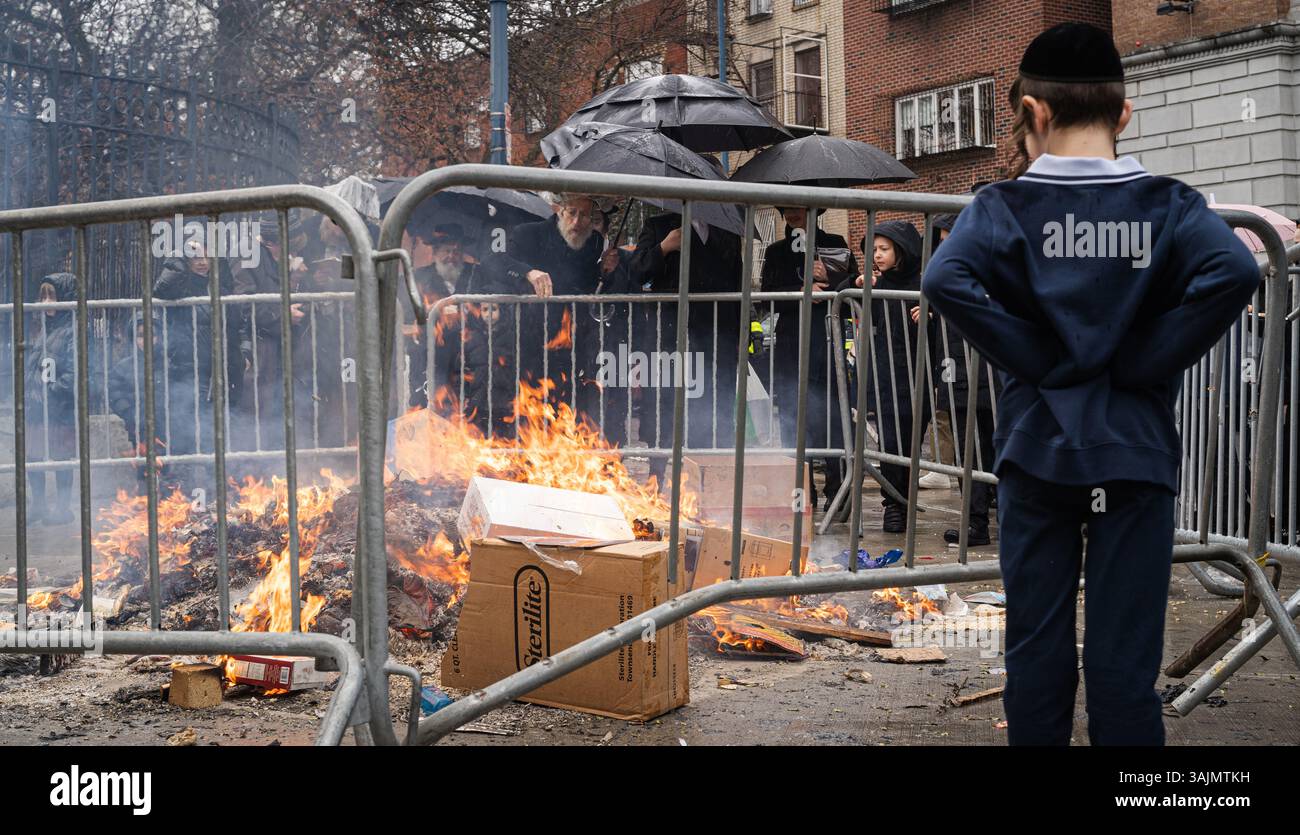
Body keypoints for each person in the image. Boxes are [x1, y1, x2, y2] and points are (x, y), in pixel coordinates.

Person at [923, 23, 1260, 746]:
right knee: (1124, 662)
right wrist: (1145, 361)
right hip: (1132, 452)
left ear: (1035, 113)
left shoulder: (1003, 207)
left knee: (1036, 651)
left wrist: (1039, 362)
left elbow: (944, 277)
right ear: (1124, 113)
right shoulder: (1166, 205)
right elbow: (1234, 271)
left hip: (1037, 448)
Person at [626, 209, 744, 490]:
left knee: (715, 406)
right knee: (665, 406)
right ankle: (657, 478)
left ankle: (711, 483)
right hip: (669, 335)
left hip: (716, 335)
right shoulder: (657, 226)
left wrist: (740, 332)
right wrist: (664, 248)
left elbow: (737, 281)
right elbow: (636, 271)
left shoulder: (725, 230)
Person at [761, 206, 858, 510]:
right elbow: (766, 297)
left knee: (833, 417)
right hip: (792, 342)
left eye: (798, 208)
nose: (792, 214)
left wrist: (830, 275)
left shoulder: (836, 242)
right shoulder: (777, 251)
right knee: (793, 418)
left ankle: (838, 491)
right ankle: (802, 494)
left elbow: (852, 287)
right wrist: (802, 289)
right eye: (786, 209)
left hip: (827, 340)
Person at [845, 220, 929, 533]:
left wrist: (930, 313)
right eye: (874, 250)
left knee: (910, 447)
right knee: (891, 446)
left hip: (915, 380)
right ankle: (893, 505)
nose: (877, 255)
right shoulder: (876, 285)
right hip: (883, 380)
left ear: (901, 251)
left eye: (884, 249)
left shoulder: (923, 283)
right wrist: (857, 282)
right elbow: (842, 295)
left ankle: (903, 501)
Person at [23, 273, 78, 525]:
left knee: (61, 456)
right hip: (35, 406)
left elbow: (76, 371)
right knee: (33, 455)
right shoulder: (40, 329)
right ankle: (39, 505)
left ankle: (62, 508)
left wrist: (55, 392)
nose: (46, 302)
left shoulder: (73, 330)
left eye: (52, 296)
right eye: (43, 296)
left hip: (60, 408)